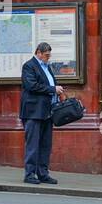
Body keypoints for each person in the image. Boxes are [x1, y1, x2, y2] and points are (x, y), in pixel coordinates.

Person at [20, 42, 64, 185]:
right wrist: (53, 89)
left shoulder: (47, 67)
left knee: (45, 145)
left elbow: (48, 86)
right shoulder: (29, 66)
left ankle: (43, 173)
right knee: (32, 144)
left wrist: (57, 93)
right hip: (33, 112)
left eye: (49, 55)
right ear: (38, 52)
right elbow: (31, 86)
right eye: (46, 55)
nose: (48, 57)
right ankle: (30, 174)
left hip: (47, 112)